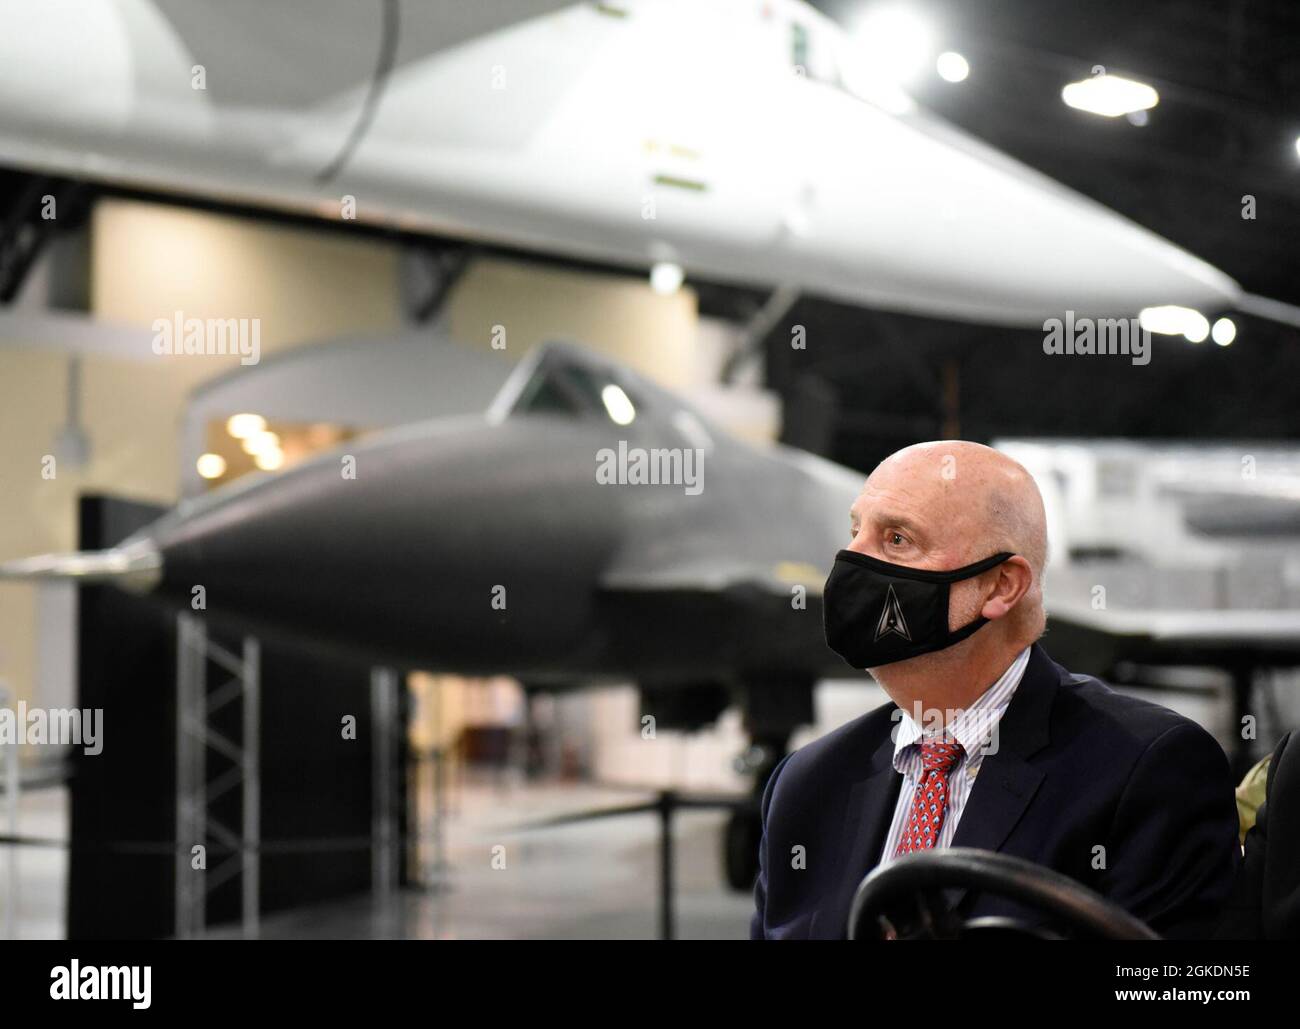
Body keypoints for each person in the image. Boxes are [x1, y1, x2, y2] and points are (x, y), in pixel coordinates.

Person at [751, 441, 1240, 939]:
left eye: (897, 538)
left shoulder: (1145, 771)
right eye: (856, 532)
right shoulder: (807, 785)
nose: (850, 561)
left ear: (1001, 586)